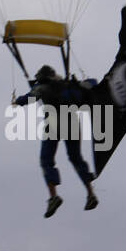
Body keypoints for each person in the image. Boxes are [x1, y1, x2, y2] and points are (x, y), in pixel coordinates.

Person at [15, 65, 99, 218]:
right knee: (76, 158)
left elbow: (28, 98)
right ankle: (90, 193)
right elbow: (91, 84)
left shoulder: (42, 86)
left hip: (54, 123)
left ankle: (54, 197)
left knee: (46, 160)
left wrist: (17, 101)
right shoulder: (66, 84)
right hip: (73, 123)